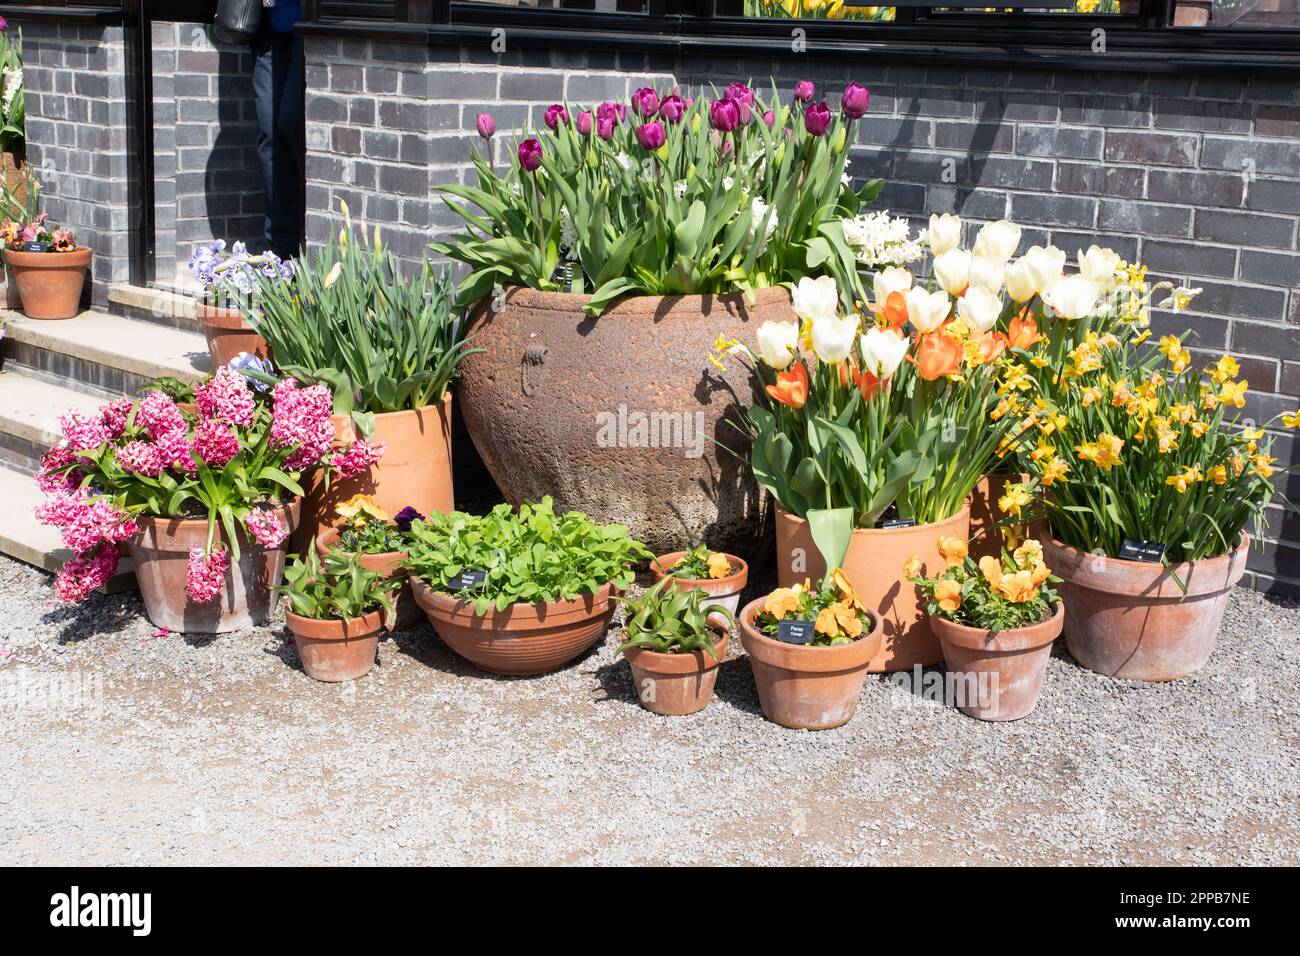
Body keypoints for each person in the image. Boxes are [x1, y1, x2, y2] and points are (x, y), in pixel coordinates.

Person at [250, 1, 303, 260]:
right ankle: (281, 253)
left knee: (291, 122)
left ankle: (307, 237)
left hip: (314, 18)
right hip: (268, 24)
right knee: (269, 134)